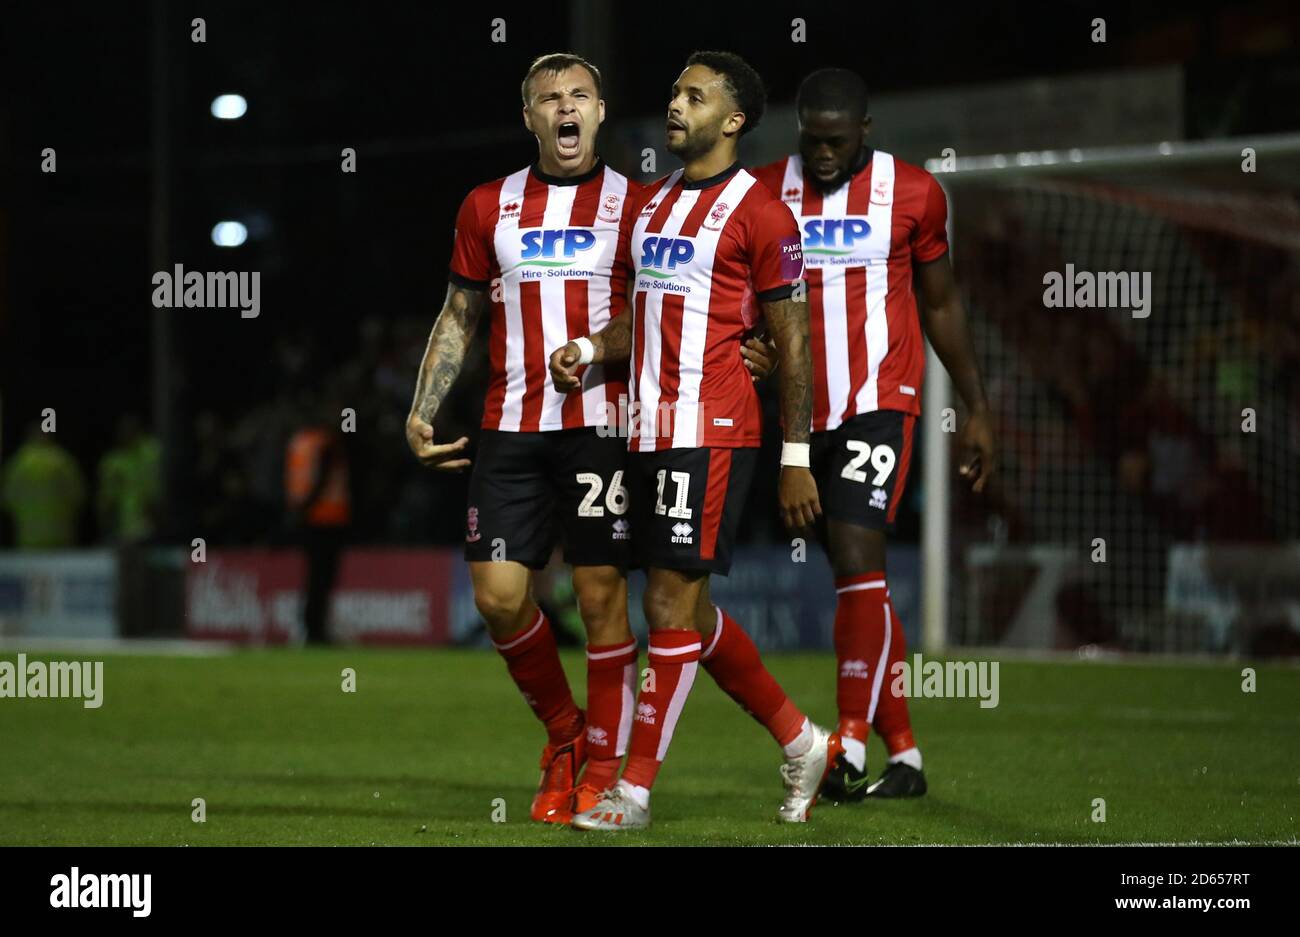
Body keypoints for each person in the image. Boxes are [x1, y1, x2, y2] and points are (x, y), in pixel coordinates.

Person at [552, 51, 840, 831]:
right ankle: (802, 738)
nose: (676, 104)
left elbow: (792, 338)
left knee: (668, 602)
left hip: (710, 429)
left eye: (695, 95)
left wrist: (794, 455)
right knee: (689, 611)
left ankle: (633, 792)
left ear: (735, 120)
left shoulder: (765, 214)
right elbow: (641, 318)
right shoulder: (650, 206)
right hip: (644, 428)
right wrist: (588, 347)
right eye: (675, 90)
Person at [751, 68, 997, 799]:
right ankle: (909, 755)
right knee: (861, 584)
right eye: (810, 138)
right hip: (802, 415)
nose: (822, 154)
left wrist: (976, 405)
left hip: (878, 399)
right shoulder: (766, 191)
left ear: (866, 130)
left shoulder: (915, 194)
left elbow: (943, 304)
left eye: (836, 140)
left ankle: (848, 746)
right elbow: (742, 289)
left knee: (859, 554)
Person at [285, 399, 352, 645]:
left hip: (308, 519)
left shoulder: (298, 442)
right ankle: (315, 629)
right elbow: (321, 480)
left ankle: (310, 627)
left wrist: (297, 512)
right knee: (322, 578)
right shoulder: (327, 443)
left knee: (314, 577)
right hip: (328, 519)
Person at [1, 422, 86, 549]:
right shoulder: (62, 462)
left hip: (28, 536)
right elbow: (78, 495)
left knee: (28, 568)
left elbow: (6, 499)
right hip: (59, 535)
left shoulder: (18, 464)